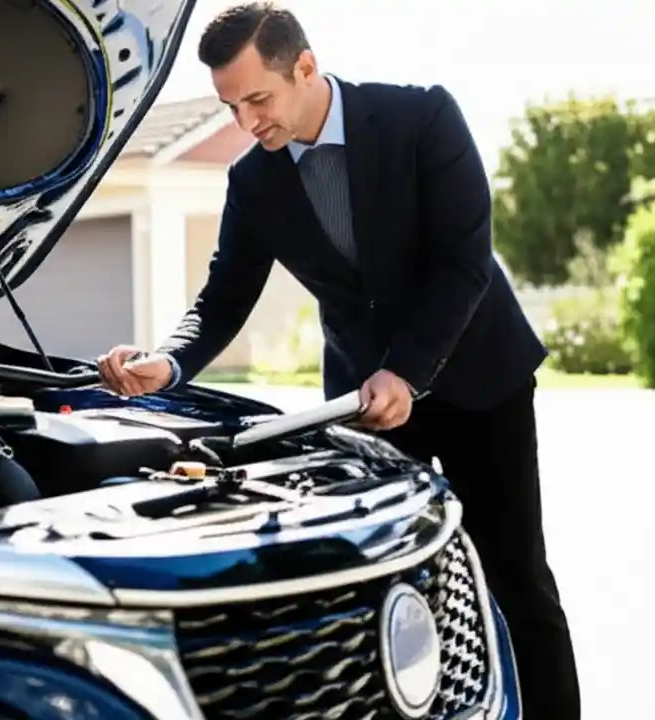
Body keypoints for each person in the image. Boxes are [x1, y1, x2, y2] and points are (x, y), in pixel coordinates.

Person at [96, 2, 581, 717]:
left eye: (258, 99)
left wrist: (409, 370)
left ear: (305, 67)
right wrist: (166, 364)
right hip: (367, 406)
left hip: (482, 380)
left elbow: (463, 265)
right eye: (233, 106)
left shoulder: (422, 120)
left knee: (517, 582)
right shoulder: (253, 180)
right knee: (386, 586)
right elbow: (223, 296)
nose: (247, 122)